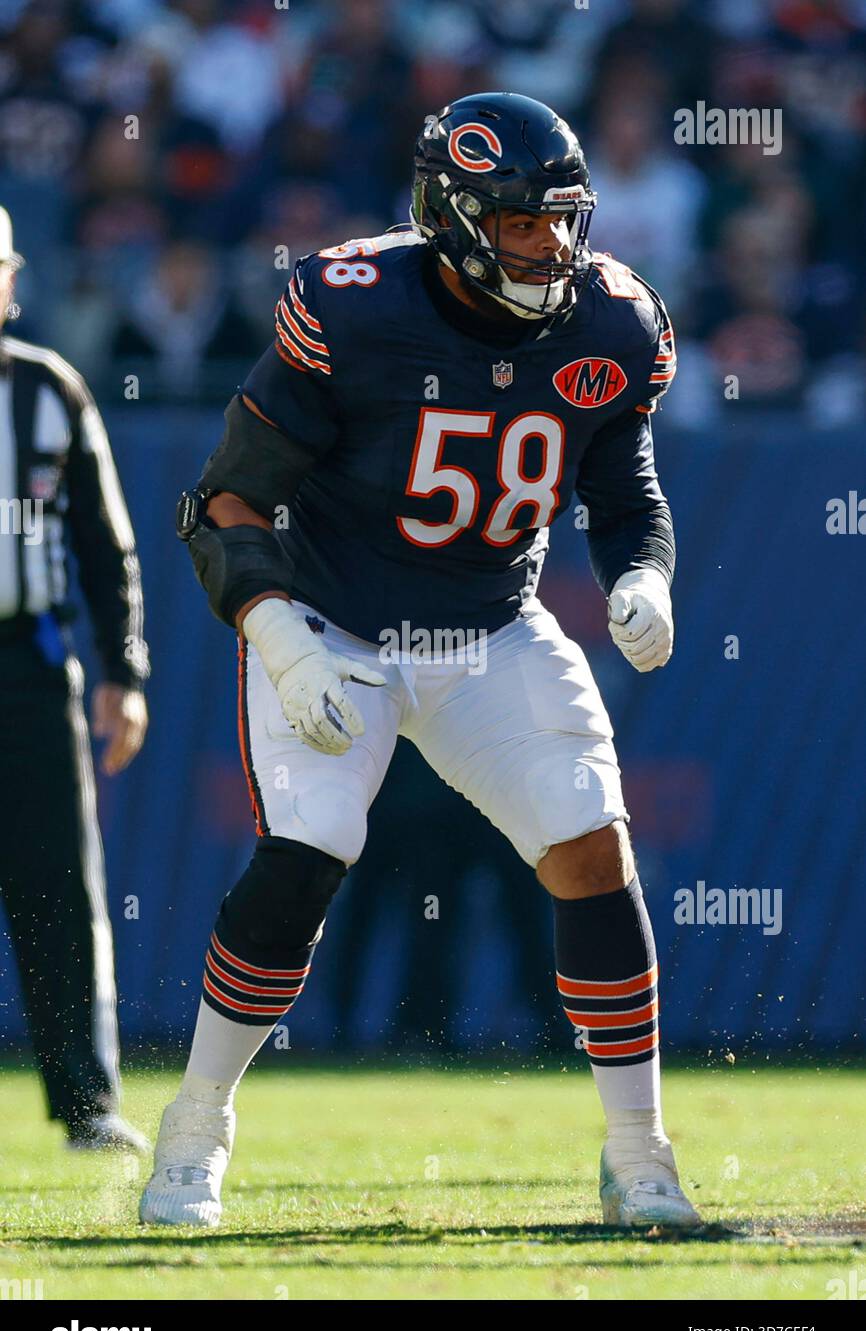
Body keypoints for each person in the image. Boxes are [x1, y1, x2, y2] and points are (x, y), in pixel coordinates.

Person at [140, 93, 700, 1228]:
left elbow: (625, 495)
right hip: (333, 624)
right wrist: (280, 640)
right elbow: (226, 500)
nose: (550, 246)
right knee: (310, 848)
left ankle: (640, 1153)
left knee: (590, 843)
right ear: (451, 218)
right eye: (522, 224)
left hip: (490, 628)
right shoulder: (356, 306)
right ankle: (196, 1126)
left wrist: (643, 575)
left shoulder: (614, 321)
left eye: (563, 220)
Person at [0, 205, 150, 1150]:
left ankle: (88, 1102)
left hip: (27, 661)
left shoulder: (50, 389)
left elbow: (105, 543)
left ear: (11, 279)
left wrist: (122, 669)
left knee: (57, 883)